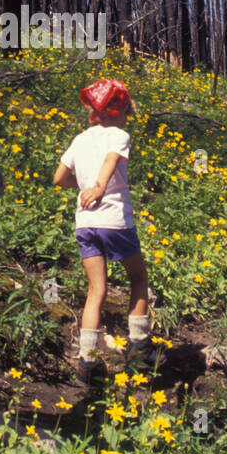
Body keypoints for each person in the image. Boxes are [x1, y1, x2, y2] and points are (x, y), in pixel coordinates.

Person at [52, 79, 152, 384]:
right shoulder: (119, 135)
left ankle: (88, 363)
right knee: (138, 278)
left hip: (85, 222)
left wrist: (84, 187)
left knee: (96, 291)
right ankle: (139, 350)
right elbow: (110, 159)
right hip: (114, 221)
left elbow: (58, 179)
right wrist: (98, 185)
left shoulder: (80, 139)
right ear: (118, 111)